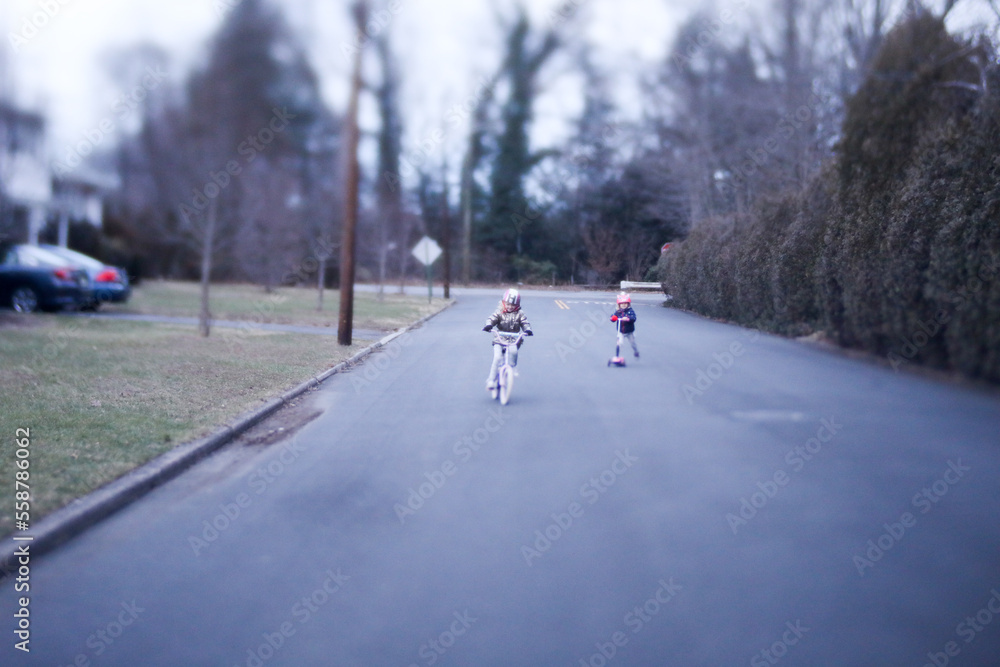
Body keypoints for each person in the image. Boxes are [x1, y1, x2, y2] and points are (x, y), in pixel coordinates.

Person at [482, 288, 533, 391]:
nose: (510, 307)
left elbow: (525, 322)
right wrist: (489, 325)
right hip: (499, 339)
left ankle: (512, 367)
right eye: (508, 304)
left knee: (514, 352)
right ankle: (491, 380)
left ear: (517, 305)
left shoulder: (520, 314)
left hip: (513, 339)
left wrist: (527, 330)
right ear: (503, 303)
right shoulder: (499, 312)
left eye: (513, 305)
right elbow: (492, 318)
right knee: (497, 357)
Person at [611, 292, 639, 358]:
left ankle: (635, 351)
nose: (624, 305)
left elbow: (634, 318)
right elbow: (613, 317)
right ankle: (617, 356)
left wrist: (628, 319)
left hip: (629, 331)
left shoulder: (630, 311)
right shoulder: (618, 312)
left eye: (625, 303)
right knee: (619, 343)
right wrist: (613, 318)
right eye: (622, 304)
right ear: (619, 305)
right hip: (621, 331)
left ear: (628, 304)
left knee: (632, 343)